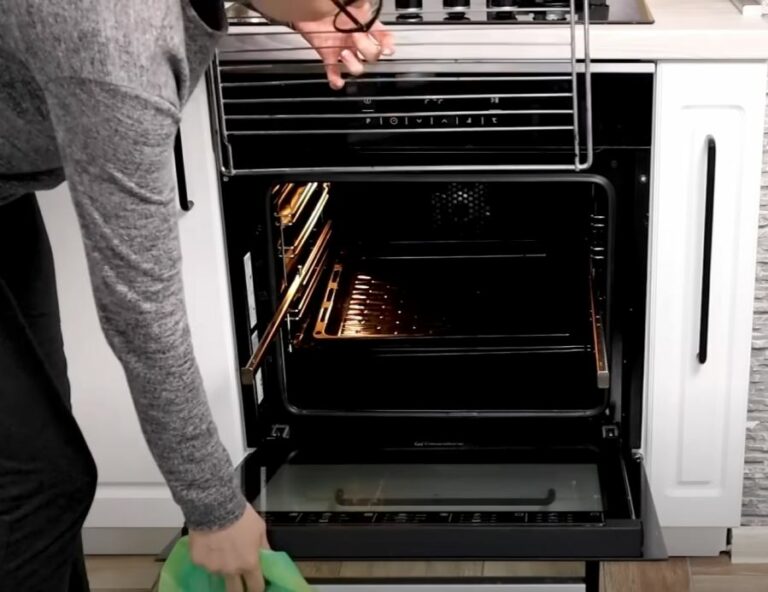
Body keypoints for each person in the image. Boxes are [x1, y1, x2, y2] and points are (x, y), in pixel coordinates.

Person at [0, 1, 393, 591]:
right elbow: (141, 311)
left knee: (41, 439)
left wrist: (305, 14)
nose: (363, 12)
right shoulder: (116, 39)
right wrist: (215, 509)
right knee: (39, 484)